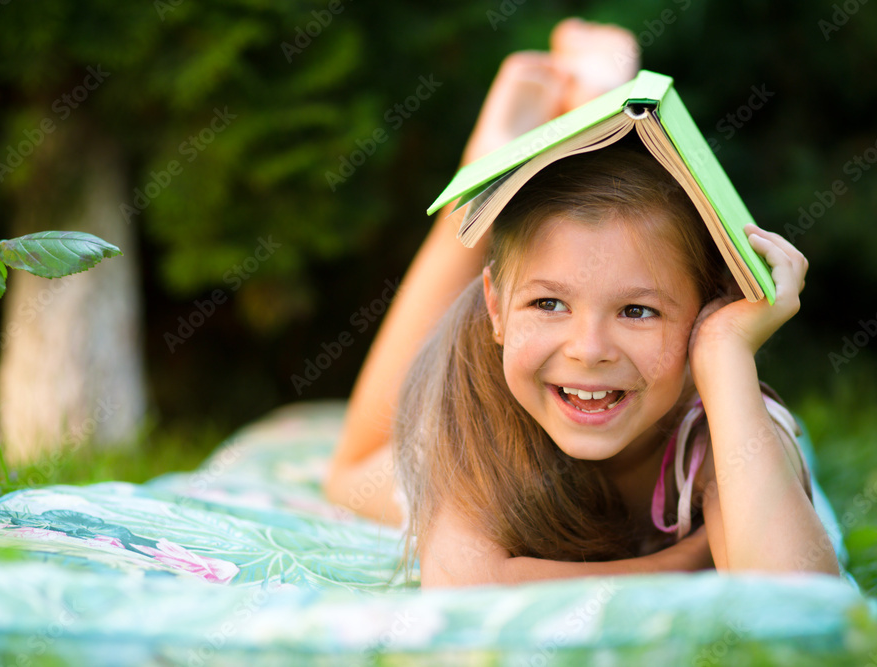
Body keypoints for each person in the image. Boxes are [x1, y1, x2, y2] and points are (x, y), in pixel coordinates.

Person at [324, 20, 840, 585]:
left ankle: (578, 120)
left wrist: (724, 352)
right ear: (495, 308)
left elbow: (802, 598)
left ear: (705, 311)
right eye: (548, 304)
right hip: (506, 410)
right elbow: (460, 579)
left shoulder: (719, 431)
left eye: (638, 311)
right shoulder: (486, 399)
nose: (588, 350)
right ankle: (485, 170)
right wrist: (677, 562)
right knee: (352, 474)